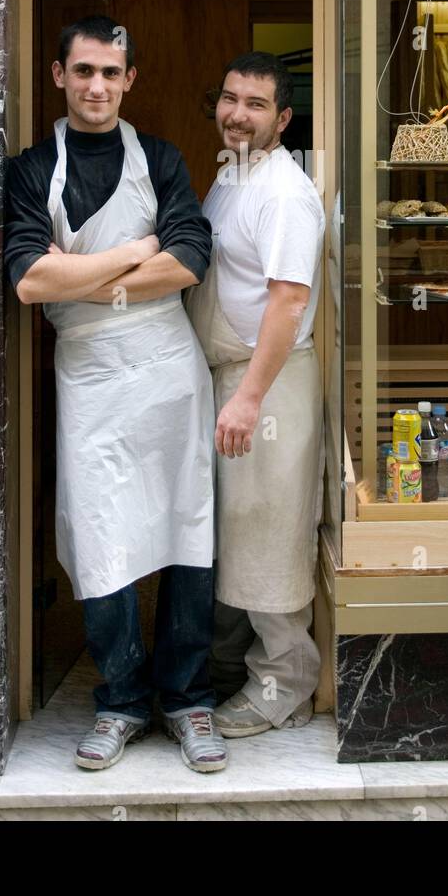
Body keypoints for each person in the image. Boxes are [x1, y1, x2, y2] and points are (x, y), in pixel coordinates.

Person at [4, 15, 226, 774]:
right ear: (59, 75)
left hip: (169, 368)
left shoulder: (159, 158)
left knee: (186, 531)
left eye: (111, 72)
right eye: (83, 71)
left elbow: (190, 258)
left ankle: (187, 699)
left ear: (129, 80)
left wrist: (88, 273)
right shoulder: (32, 169)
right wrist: (137, 250)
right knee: (102, 537)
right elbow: (31, 280)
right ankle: (121, 701)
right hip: (91, 375)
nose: (96, 85)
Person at [185, 52, 325, 736]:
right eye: (230, 98)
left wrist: (247, 398)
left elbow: (288, 301)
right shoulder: (232, 175)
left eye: (256, 104)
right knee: (236, 533)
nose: (238, 113)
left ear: (283, 118)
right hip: (232, 378)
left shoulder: (284, 192)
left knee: (270, 531)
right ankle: (235, 671)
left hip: (266, 384)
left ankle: (286, 685)